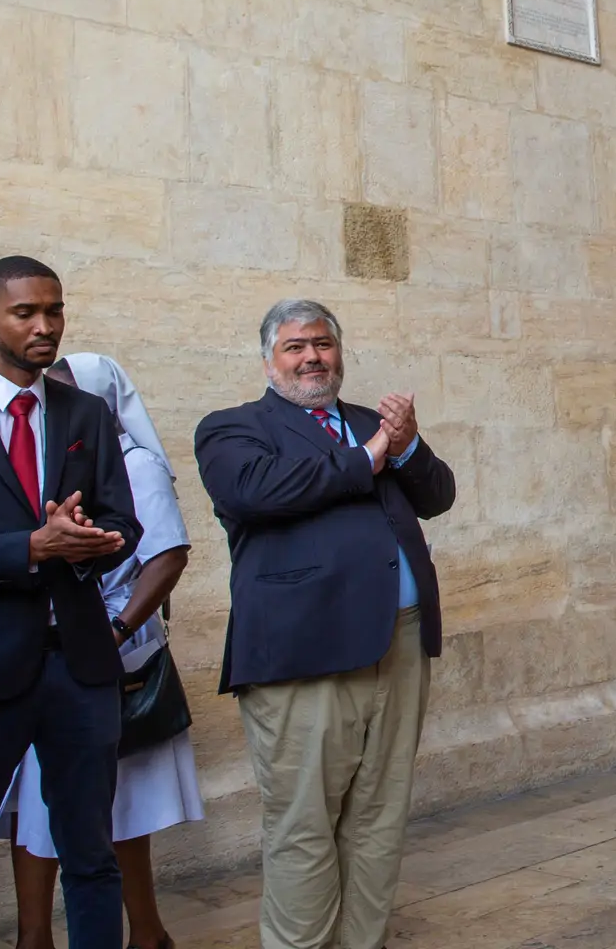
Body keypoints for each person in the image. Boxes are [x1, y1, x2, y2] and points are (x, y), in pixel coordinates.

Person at [195, 299, 455, 949]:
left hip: (398, 643)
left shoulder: (374, 423)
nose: (312, 356)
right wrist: (369, 456)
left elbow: (438, 495)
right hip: (302, 655)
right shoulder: (233, 429)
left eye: (322, 344)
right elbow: (254, 492)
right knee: (304, 826)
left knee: (378, 819)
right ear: (268, 360)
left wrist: (409, 444)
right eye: (294, 346)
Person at [0, 258, 142, 949]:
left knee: (92, 857)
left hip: (78, 668)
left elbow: (126, 526)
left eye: (55, 310)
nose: (45, 326)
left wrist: (90, 539)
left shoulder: (85, 412)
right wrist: (33, 548)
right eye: (25, 313)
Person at [0, 353, 201, 949]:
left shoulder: (134, 463)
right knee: (35, 808)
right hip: (39, 654)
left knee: (114, 810)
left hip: (106, 655)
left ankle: (144, 932)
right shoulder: (43, 454)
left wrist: (113, 632)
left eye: (65, 391)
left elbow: (166, 556)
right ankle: (34, 934)